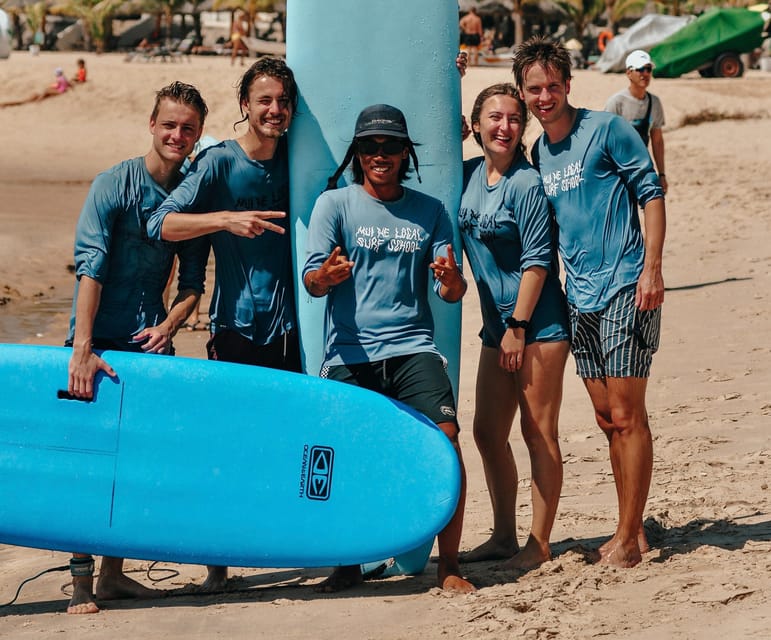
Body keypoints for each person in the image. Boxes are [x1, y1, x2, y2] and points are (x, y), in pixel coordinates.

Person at [302, 104, 475, 594]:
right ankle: (348, 562)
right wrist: (324, 277)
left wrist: (452, 281)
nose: (381, 155)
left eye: (390, 146)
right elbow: (312, 281)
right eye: (370, 146)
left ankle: (449, 565)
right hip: (349, 354)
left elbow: (452, 292)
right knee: (342, 455)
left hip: (411, 347)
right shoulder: (333, 205)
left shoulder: (430, 211)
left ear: (406, 153)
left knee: (448, 442)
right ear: (357, 153)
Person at [145, 56, 299, 593]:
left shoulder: (299, 160)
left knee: (289, 442)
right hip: (233, 326)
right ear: (244, 106)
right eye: (264, 100)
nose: (274, 110)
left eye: (283, 101)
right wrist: (225, 219)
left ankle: (294, 542)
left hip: (291, 332)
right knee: (228, 445)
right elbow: (161, 223)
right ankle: (218, 565)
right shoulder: (216, 164)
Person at [512, 37, 666, 568]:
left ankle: (625, 538)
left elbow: (651, 193)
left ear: (568, 85)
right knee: (605, 418)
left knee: (628, 413)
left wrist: (651, 268)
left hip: (626, 283)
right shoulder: (539, 153)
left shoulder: (607, 128)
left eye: (553, 85)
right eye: (534, 88)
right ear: (524, 93)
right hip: (579, 297)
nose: (545, 96)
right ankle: (635, 528)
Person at [65, 81, 209, 613]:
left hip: (149, 345)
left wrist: (170, 325)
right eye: (169, 124)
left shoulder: (189, 197)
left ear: (196, 136)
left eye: (188, 128)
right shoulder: (113, 185)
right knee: (89, 463)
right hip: (97, 340)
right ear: (152, 125)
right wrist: (82, 347)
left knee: (133, 462)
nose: (177, 135)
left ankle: (113, 576)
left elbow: (194, 284)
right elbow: (91, 267)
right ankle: (81, 582)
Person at [457, 84, 570, 570]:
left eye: (513, 119)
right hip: (494, 327)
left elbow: (538, 260)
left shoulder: (526, 183)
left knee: (537, 431)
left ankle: (539, 544)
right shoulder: (464, 175)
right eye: (494, 118)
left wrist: (518, 326)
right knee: (486, 431)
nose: (504, 127)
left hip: (536, 324)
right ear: (477, 124)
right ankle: (503, 534)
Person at [605, 50, 667, 194]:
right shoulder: (616, 103)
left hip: (643, 168)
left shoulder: (654, 102)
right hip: (618, 171)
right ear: (628, 73)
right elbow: (605, 141)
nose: (645, 73)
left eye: (648, 69)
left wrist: (662, 174)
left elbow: (657, 140)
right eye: (640, 69)